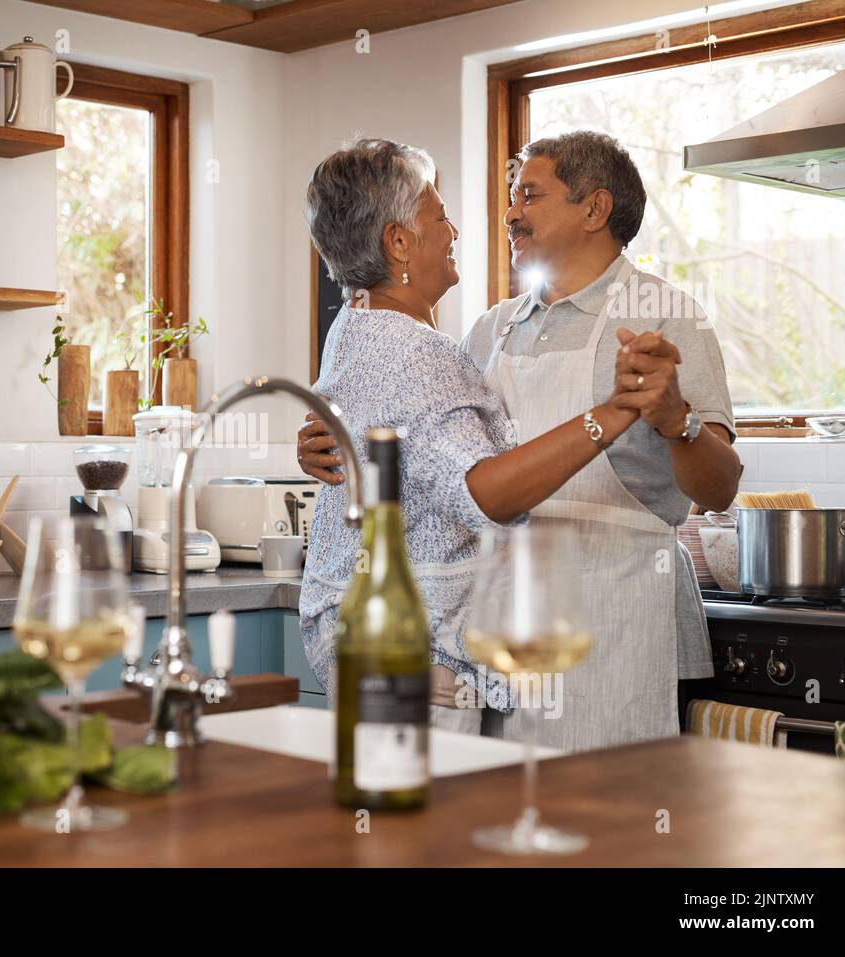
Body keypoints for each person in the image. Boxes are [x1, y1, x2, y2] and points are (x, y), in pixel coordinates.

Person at [300, 131, 742, 751]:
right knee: (499, 821)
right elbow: (439, 451)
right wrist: (335, 433)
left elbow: (720, 489)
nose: (508, 213)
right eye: (511, 197)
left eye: (529, 195)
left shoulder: (667, 318)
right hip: (495, 629)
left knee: (603, 823)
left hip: (610, 621)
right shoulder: (491, 329)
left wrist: (677, 423)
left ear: (593, 209)